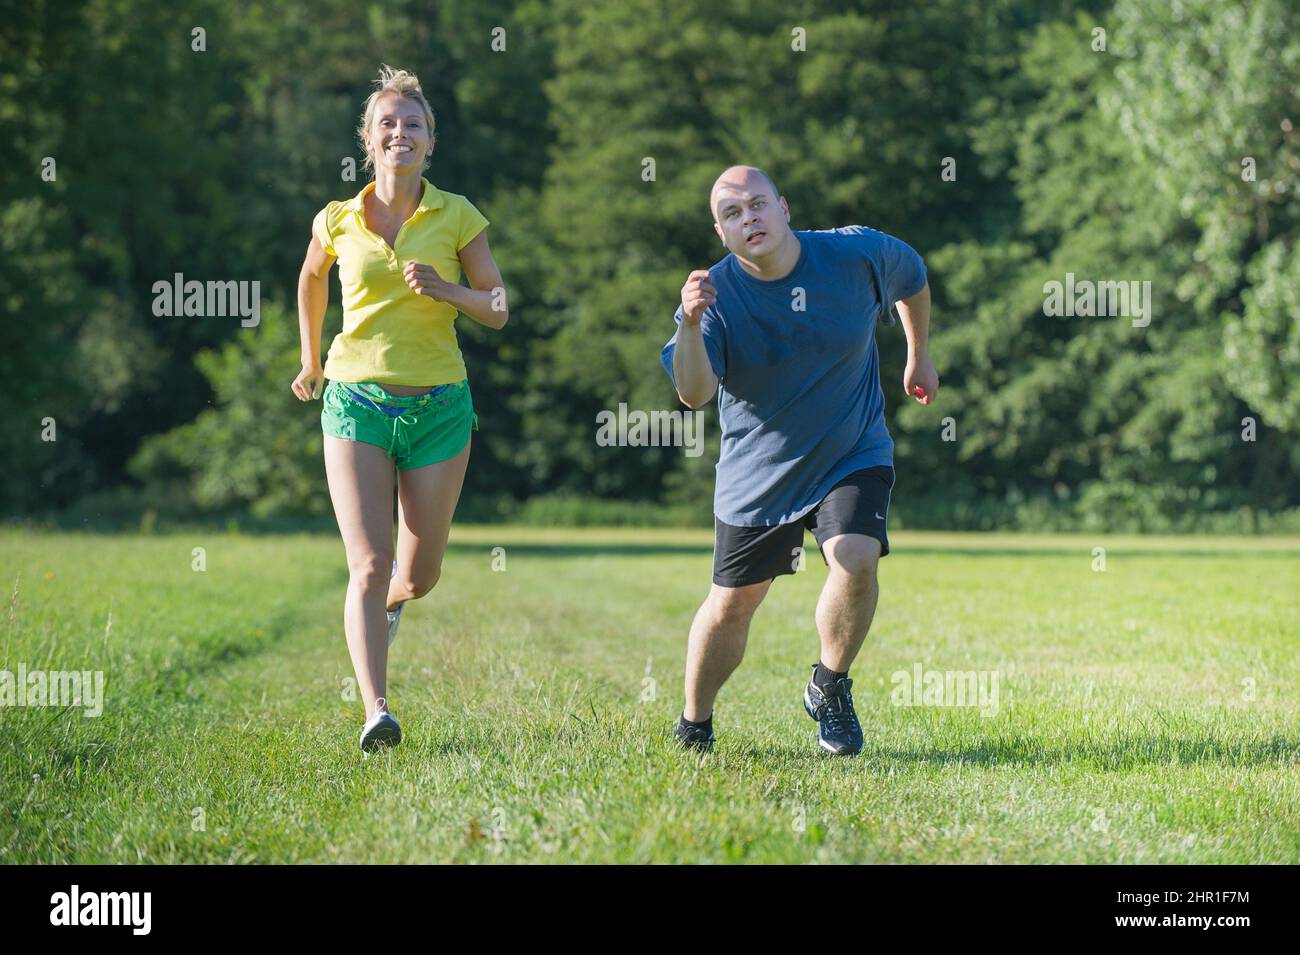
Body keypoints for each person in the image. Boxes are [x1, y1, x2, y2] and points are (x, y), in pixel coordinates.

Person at [661, 165, 936, 756]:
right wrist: (689, 323)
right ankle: (695, 723)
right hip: (760, 473)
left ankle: (830, 685)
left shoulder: (854, 253)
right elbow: (694, 392)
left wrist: (919, 355)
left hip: (851, 449)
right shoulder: (715, 299)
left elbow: (912, 274)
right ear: (720, 232)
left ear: (784, 208)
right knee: (734, 603)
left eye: (758, 204)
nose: (749, 218)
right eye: (733, 214)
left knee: (856, 557)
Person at [291, 65, 508, 752]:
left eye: (412, 123)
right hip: (356, 401)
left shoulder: (458, 215)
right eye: (387, 122)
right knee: (369, 563)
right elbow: (309, 277)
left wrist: (447, 289)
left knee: (418, 574)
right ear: (369, 139)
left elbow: (498, 308)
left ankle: (388, 609)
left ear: (429, 142)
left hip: (441, 406)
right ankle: (376, 710)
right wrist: (311, 359)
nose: (399, 132)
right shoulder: (338, 218)